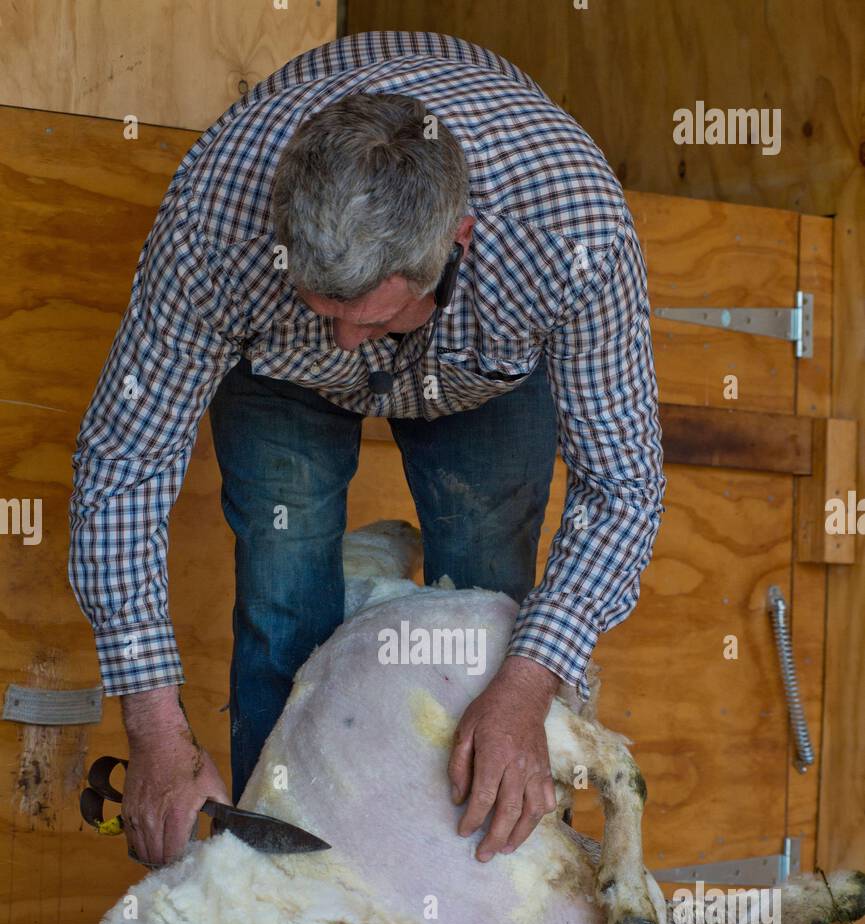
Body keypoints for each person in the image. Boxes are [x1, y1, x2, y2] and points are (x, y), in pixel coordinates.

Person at [69, 31, 663, 868]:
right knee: (282, 592)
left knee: (488, 613)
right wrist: (154, 731)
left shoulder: (568, 232)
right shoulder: (217, 214)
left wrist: (530, 688)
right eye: (322, 310)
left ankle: (466, 906)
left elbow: (622, 486)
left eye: (373, 319)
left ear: (456, 240)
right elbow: (124, 464)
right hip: (280, 376)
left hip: (480, 369)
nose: (347, 344)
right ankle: (284, 897)